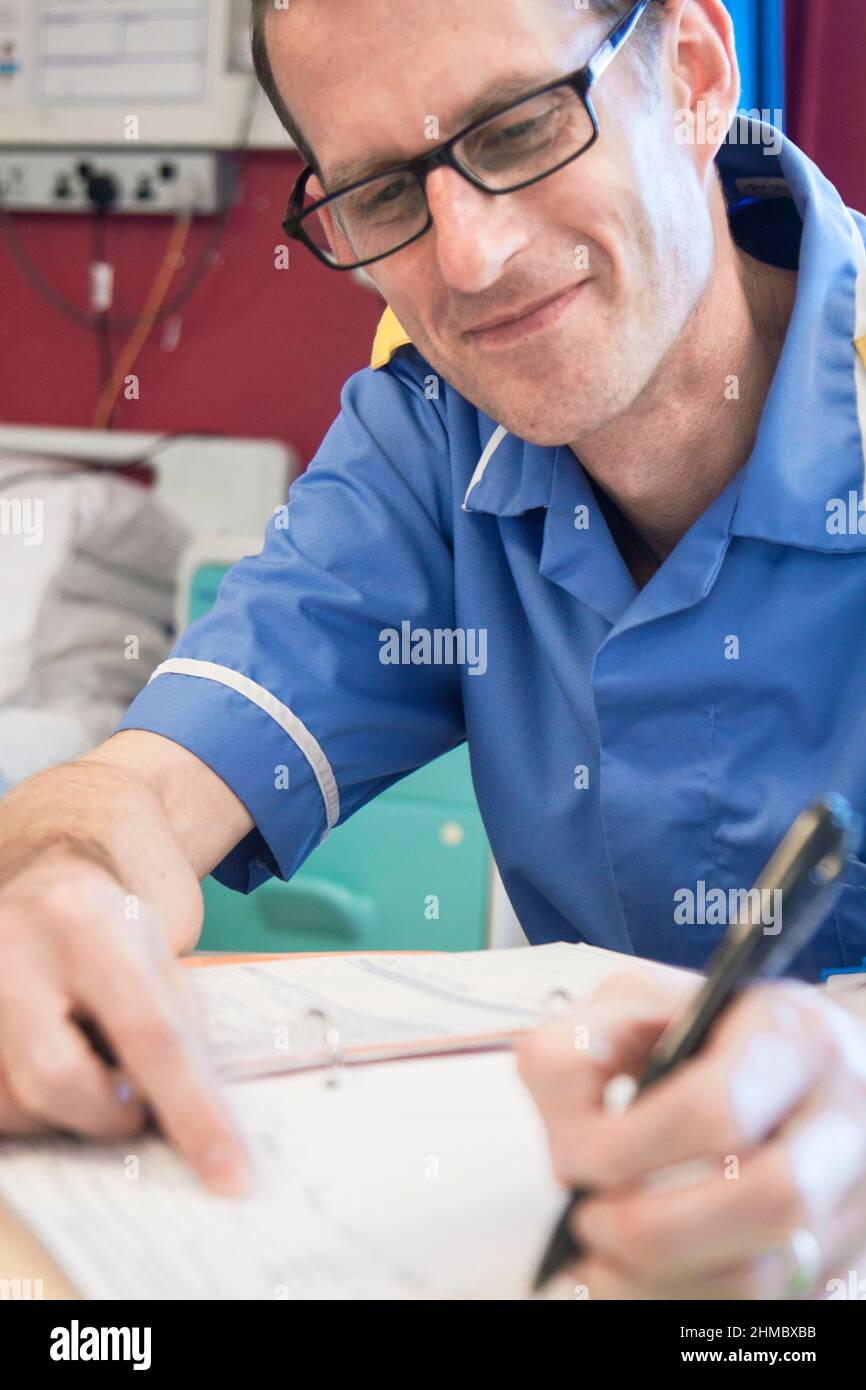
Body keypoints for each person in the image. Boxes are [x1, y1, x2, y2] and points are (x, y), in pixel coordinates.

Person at [1, 0, 865, 1298]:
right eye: (380, 191)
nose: (468, 255)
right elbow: (142, 784)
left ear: (689, 75)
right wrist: (53, 887)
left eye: (517, 128)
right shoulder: (432, 434)